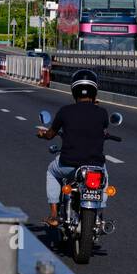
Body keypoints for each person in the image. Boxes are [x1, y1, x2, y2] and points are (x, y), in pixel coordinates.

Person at [37, 69, 109, 227]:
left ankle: (54, 214)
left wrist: (43, 134)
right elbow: (101, 127)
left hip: (68, 165)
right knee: (103, 174)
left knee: (51, 171)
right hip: (94, 166)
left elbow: (50, 134)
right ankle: (100, 211)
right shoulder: (102, 113)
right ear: (95, 91)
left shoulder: (65, 112)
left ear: (74, 91)